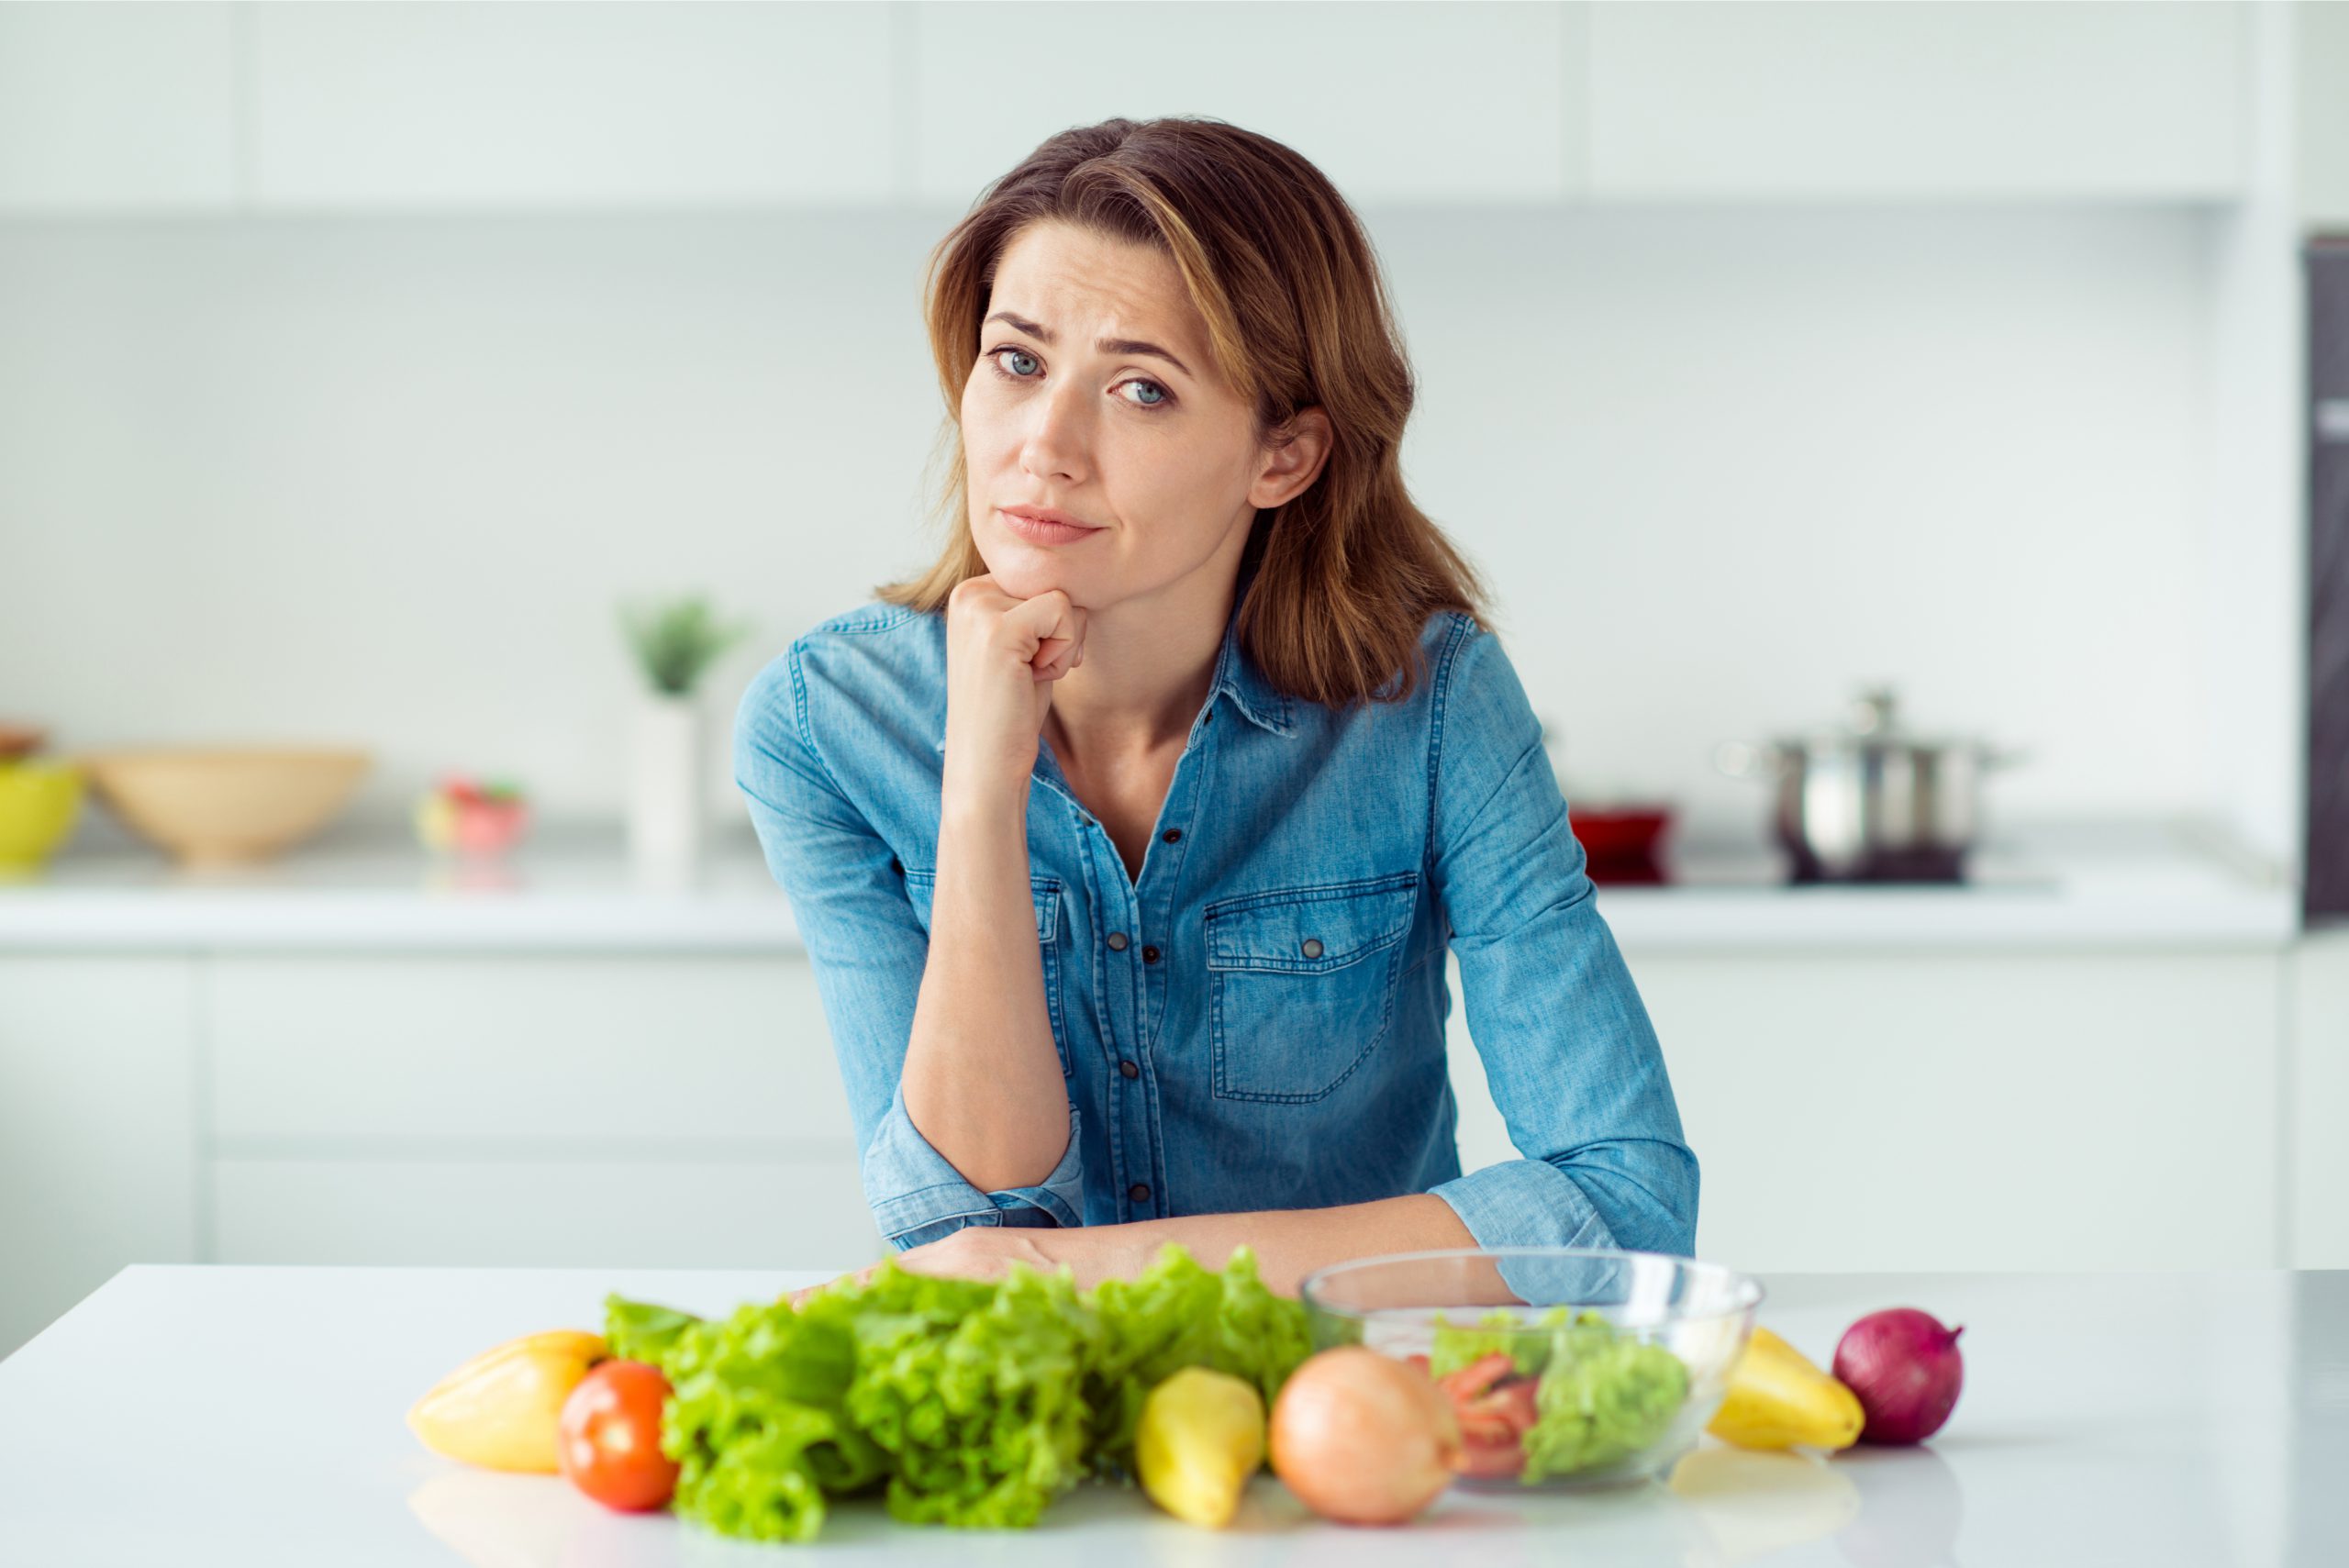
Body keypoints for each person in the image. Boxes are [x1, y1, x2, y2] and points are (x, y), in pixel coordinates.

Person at [736, 117, 1698, 1300]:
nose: (1045, 447)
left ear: (1282, 457)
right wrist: (982, 787)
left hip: (1352, 1394)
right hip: (1046, 1405)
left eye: (1141, 389)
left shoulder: (1431, 704)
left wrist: (1096, 1270)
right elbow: (964, 1220)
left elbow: (1626, 1202)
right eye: (1018, 362)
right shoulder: (827, 727)